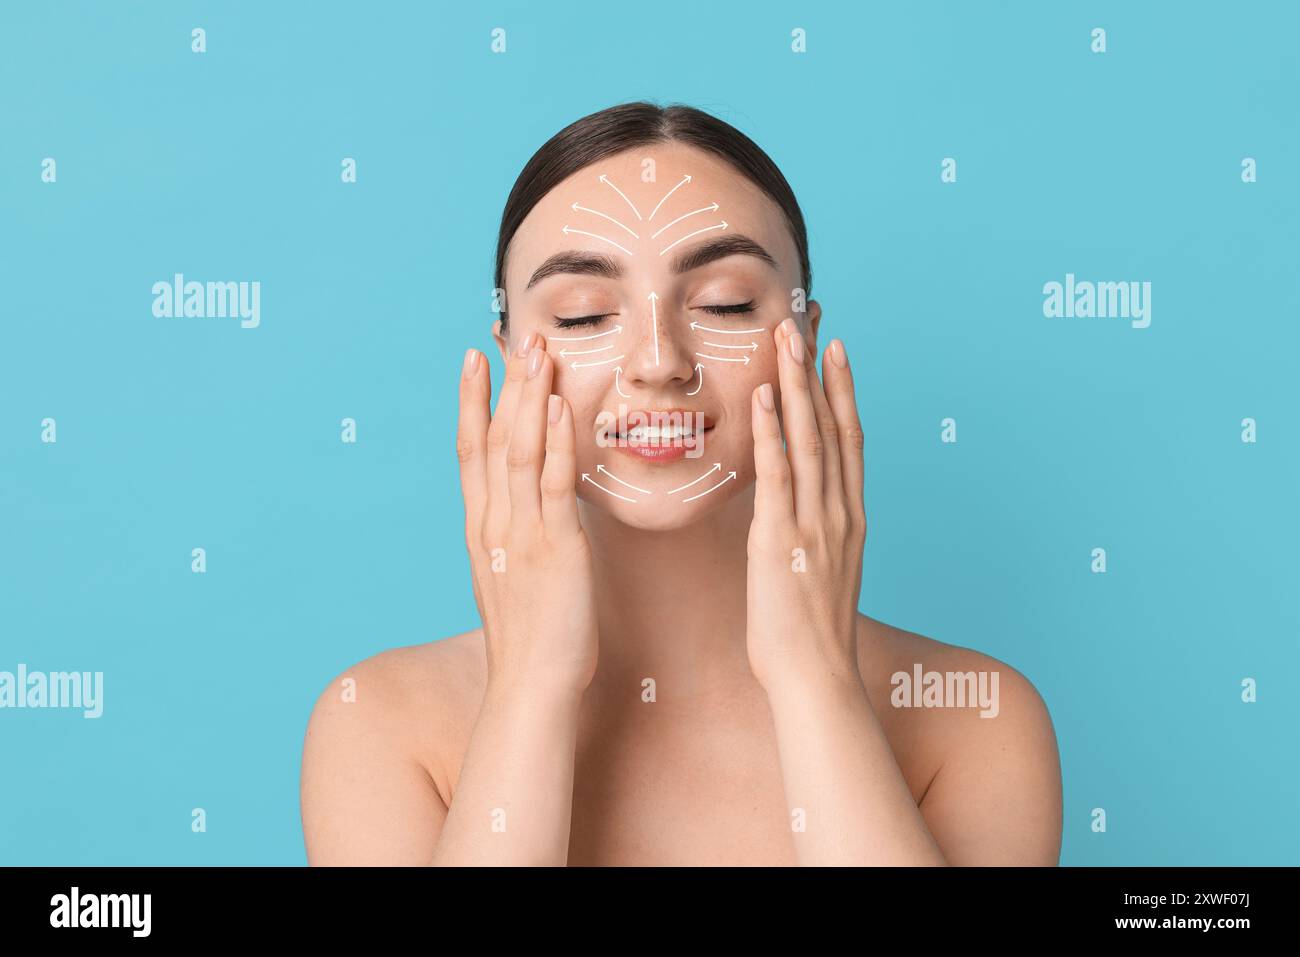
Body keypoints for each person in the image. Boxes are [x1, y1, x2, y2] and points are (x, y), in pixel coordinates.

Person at [300, 101, 1063, 866]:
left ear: (800, 336)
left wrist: (816, 680)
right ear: (508, 354)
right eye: (582, 314)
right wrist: (530, 685)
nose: (658, 360)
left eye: (725, 303)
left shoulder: (973, 718)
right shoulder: (382, 723)